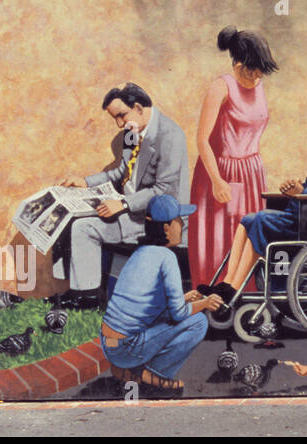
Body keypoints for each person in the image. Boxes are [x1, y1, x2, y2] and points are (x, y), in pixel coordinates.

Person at [201, 98, 307, 304]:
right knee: (248, 220)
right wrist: (295, 189)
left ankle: (233, 288)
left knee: (260, 220)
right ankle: (228, 283)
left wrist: (303, 191)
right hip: (302, 214)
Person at [52, 83, 190, 310]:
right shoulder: (131, 133)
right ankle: (83, 294)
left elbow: (164, 189)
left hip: (158, 221)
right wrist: (86, 182)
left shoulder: (170, 135)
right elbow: (120, 172)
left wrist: (124, 203)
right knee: (73, 222)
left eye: (121, 116)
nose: (119, 124)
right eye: (115, 118)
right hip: (131, 214)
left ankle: (86, 299)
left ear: (138, 107)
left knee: (84, 228)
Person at [100, 195, 223, 397]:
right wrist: (205, 303)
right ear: (166, 228)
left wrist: (184, 298)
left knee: (182, 315)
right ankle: (155, 373)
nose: (182, 224)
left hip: (109, 343)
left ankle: (129, 369)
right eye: (178, 220)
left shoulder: (141, 252)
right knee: (198, 322)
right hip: (127, 347)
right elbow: (178, 315)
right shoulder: (167, 257)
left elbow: (144, 302)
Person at [188, 26, 276, 290]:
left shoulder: (258, 86)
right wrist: (217, 180)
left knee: (249, 232)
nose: (258, 75)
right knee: (220, 236)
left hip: (252, 173)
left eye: (262, 69)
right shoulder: (221, 87)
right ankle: (214, 294)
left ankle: (242, 293)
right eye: (253, 68)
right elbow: (202, 139)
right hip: (222, 171)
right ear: (238, 62)